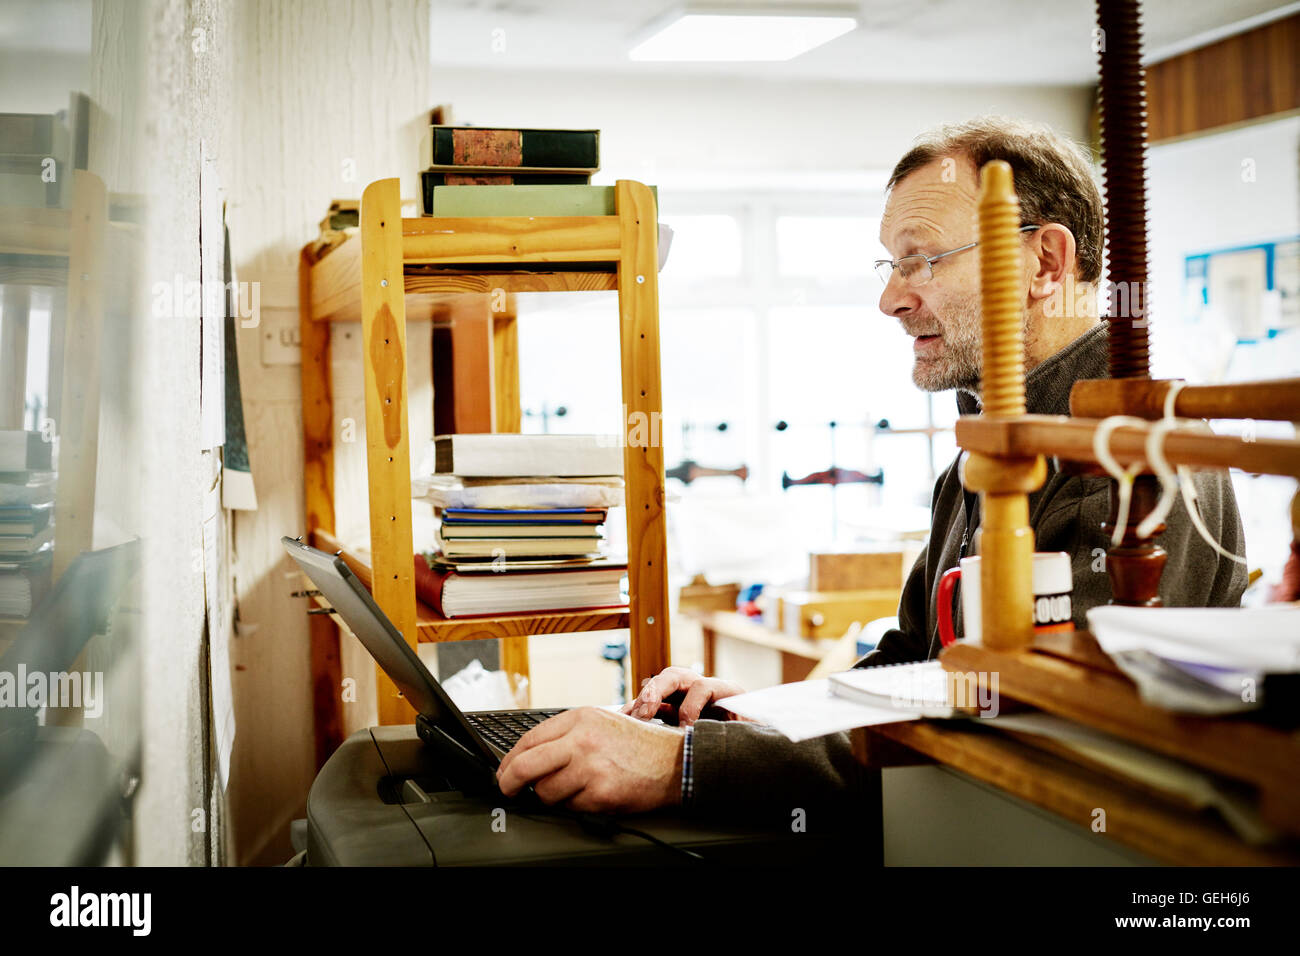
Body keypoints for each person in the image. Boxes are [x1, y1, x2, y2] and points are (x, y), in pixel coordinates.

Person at [496, 117, 1248, 819]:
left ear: (1045, 261)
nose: (890, 297)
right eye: (891, 264)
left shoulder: (1130, 455)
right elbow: (915, 669)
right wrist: (760, 714)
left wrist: (688, 765)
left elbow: (1024, 733)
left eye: (921, 259)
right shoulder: (984, 453)